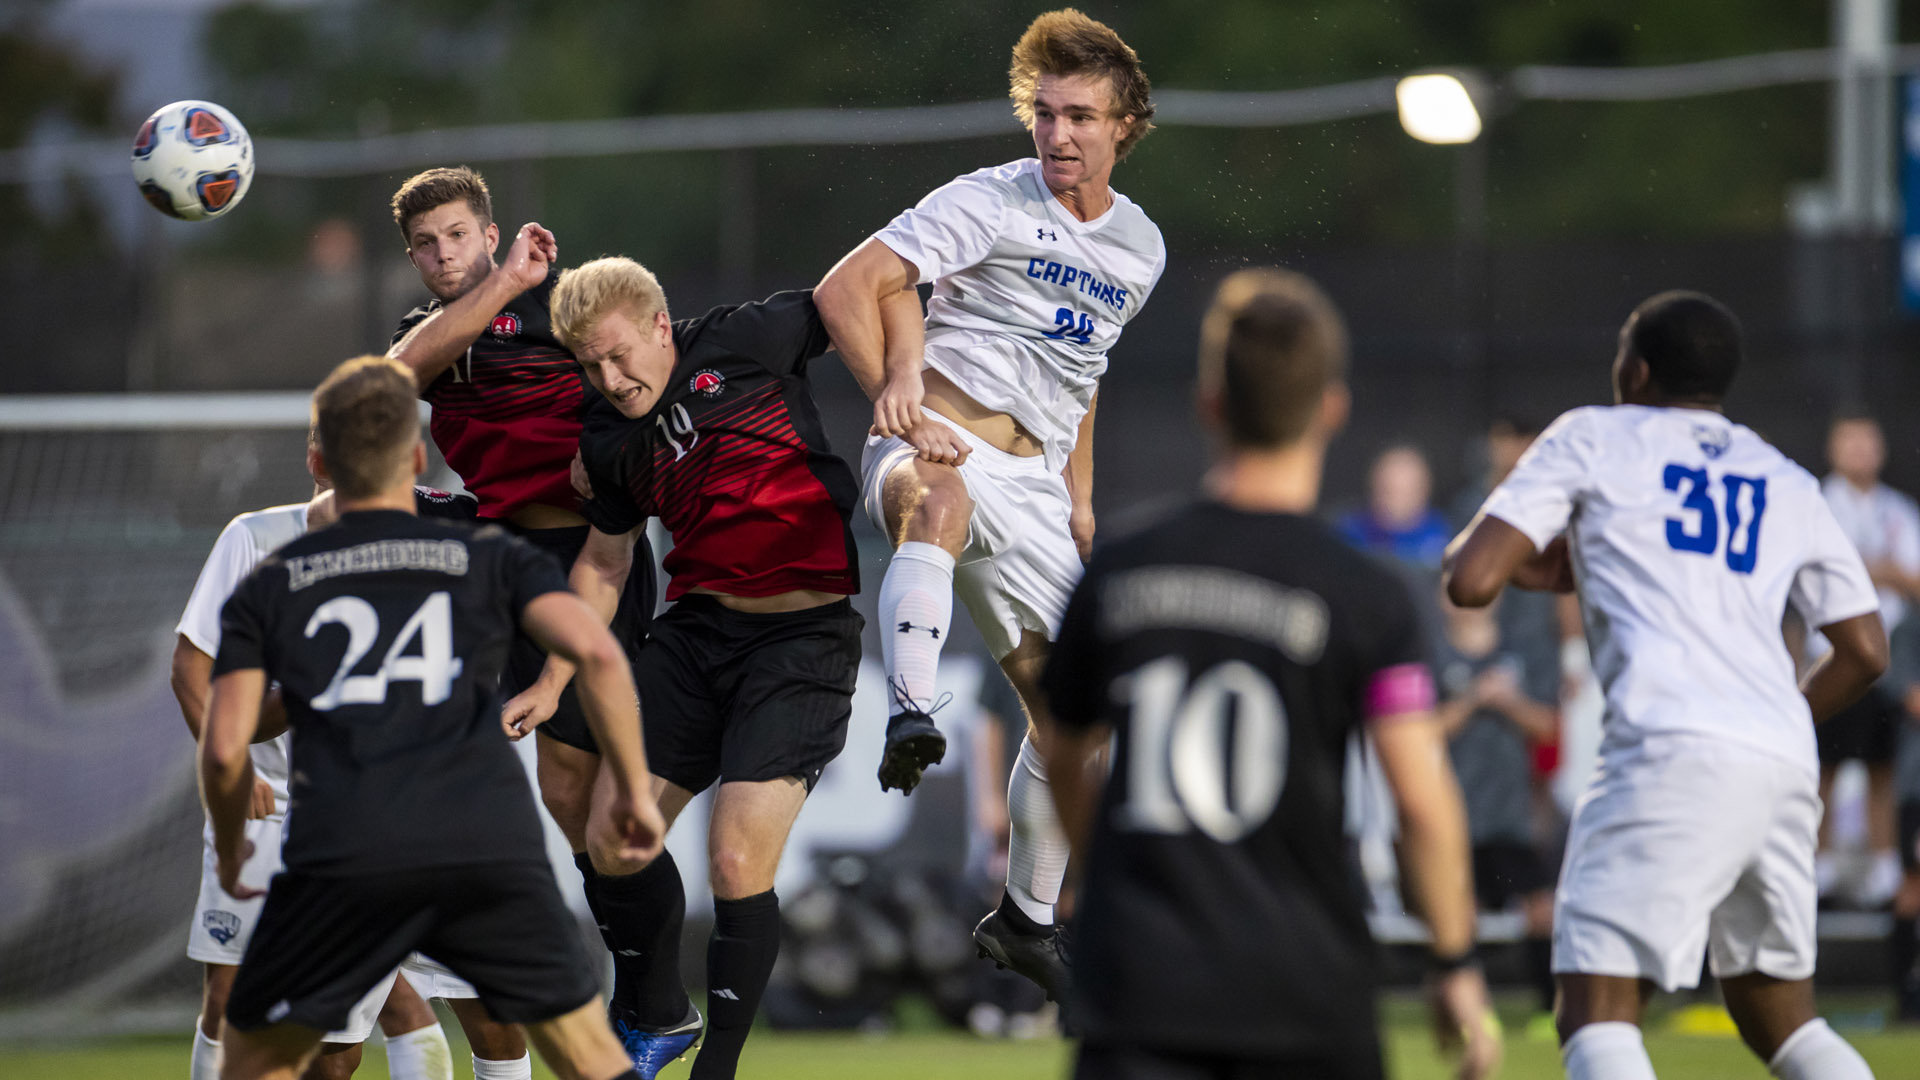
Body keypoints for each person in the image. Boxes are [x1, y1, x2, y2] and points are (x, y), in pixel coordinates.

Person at [1044, 268, 1499, 1080]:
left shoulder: (1117, 573)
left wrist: (1104, 877)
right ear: (1332, 408)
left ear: (1208, 403)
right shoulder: (1364, 594)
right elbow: (1422, 803)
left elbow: (1064, 749)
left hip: (1139, 992)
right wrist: (1456, 963)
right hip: (1305, 996)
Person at [814, 7, 1166, 1000]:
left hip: (1037, 490)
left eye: (1080, 117)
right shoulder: (992, 200)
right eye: (1045, 114)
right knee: (940, 499)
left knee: (1078, 719)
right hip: (934, 448)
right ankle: (910, 712)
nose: (1057, 135)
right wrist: (894, 392)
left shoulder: (1141, 249)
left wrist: (1080, 497)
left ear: (1123, 125)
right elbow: (852, 287)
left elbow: (1081, 368)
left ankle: (1023, 919)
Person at [1446, 291, 1889, 1079]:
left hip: (1668, 747)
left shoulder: (1594, 435)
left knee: (1597, 1013)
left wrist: (1500, 549)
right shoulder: (1782, 475)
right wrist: (1787, 714)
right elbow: (1864, 649)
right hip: (1782, 764)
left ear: (1635, 369)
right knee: (1784, 1022)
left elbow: (1473, 581)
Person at [199, 355, 665, 1080]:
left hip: (343, 853)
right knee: (588, 1058)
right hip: (483, 846)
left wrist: (233, 847)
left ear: (319, 461)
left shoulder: (277, 578)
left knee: (251, 1062)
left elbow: (227, 744)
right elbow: (597, 655)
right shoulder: (484, 555)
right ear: (418, 459)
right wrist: (633, 790)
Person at [504, 258, 865, 1079]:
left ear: (661, 326)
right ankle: (658, 1013)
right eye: (590, 365)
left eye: (620, 353)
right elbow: (603, 562)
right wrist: (553, 681)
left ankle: (717, 1071)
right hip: (698, 634)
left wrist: (904, 390)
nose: (610, 377)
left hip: (802, 641)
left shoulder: (747, 338)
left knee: (735, 861)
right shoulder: (608, 432)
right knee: (612, 837)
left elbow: (860, 290)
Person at [384, 166, 661, 1054]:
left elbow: (636, 371)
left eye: (457, 235)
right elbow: (395, 379)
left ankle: (650, 995)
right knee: (564, 793)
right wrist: (503, 284)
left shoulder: (558, 308)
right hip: (511, 564)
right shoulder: (428, 333)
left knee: (604, 792)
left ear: (489, 231)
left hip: (595, 552)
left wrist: (615, 452)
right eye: (425, 244)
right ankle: (636, 976)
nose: (442, 255)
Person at [173, 433, 516, 1080]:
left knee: (363, 1043)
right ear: (316, 459)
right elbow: (191, 665)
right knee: (228, 996)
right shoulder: (254, 538)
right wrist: (231, 764)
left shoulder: (428, 552)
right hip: (268, 815)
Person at [1433, 592, 1560, 1021]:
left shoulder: (1517, 655)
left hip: (1509, 823)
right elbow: (1423, 731)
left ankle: (1551, 1009)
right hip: (1455, 818)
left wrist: (1508, 701)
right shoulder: (1432, 652)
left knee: (1541, 909)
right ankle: (1469, 1010)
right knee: (1458, 914)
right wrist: (1472, 699)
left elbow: (1547, 728)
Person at [1811, 414, 1920, 909]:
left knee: (1882, 766)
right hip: (1827, 655)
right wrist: (1884, 569)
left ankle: (1882, 871)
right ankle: (1817, 867)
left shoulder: (1897, 510)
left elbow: (1912, 579)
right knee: (1822, 766)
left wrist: (1878, 569)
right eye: (1849, 443)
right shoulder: (1814, 502)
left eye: (1867, 444)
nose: (1859, 453)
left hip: (1888, 658)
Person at [1340, 444, 1453, 569]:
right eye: (1387, 491)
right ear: (1372, 488)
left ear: (1425, 491)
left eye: (1407, 493)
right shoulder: (1348, 534)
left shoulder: (1447, 538)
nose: (1395, 503)